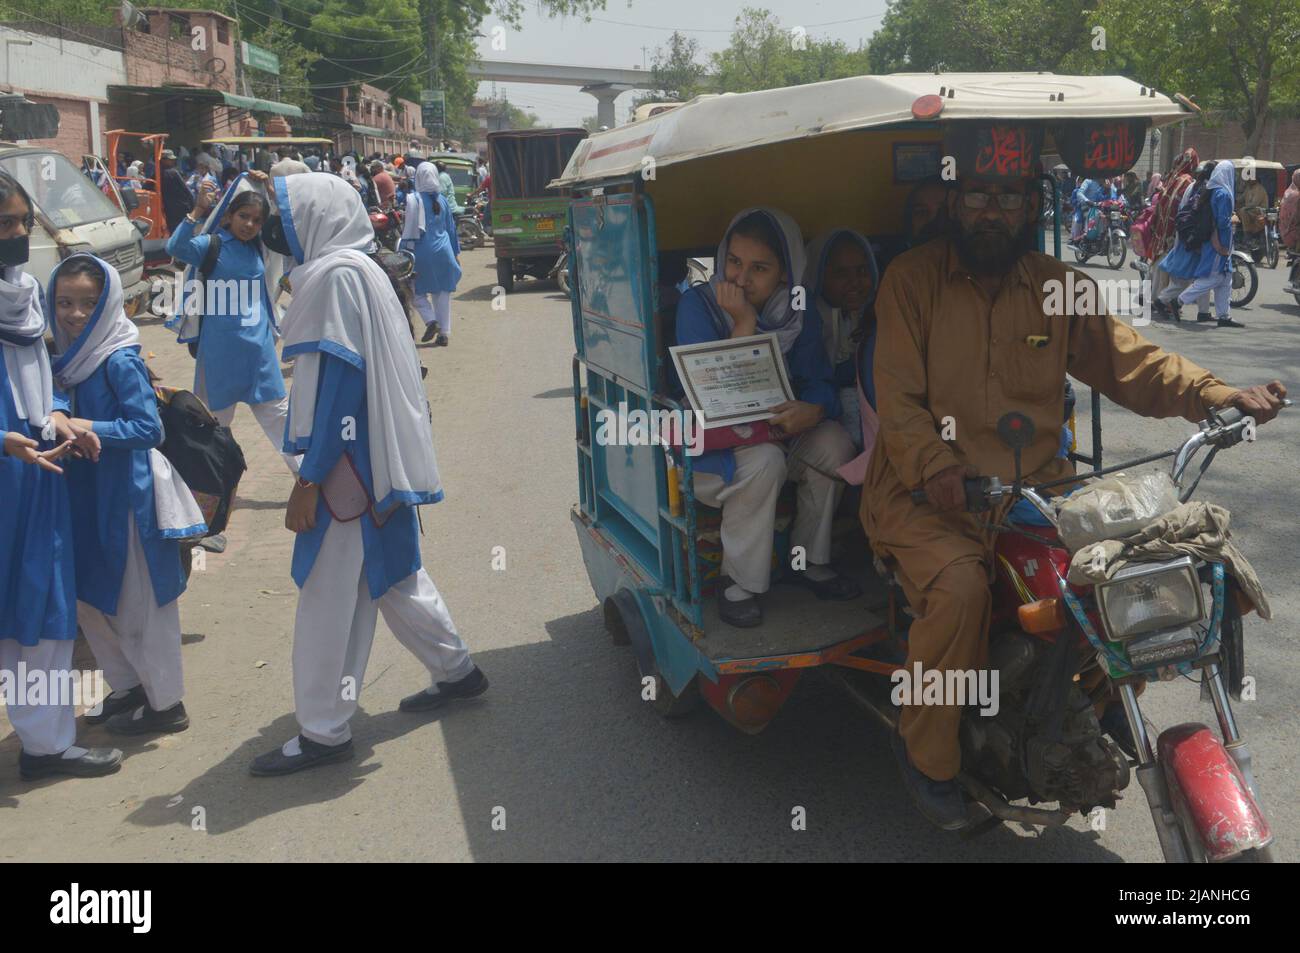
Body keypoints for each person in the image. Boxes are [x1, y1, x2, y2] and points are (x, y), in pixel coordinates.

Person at [863, 167, 1287, 830]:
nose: (991, 212)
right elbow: (899, 401)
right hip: (925, 495)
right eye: (978, 194)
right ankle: (928, 751)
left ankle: (1090, 690)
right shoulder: (911, 282)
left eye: (1007, 197)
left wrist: (1216, 394)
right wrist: (938, 465)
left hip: (1034, 490)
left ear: (1030, 205)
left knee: (1114, 569)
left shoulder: (1060, 288)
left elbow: (1134, 361)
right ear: (955, 200)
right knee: (961, 591)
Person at [250, 173, 486, 776]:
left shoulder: (334, 278)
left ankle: (324, 731)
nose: (279, 227)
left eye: (287, 214)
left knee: (330, 598)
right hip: (379, 461)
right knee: (391, 579)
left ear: (317, 218)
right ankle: (457, 672)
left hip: (350, 472)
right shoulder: (358, 267)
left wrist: (311, 478)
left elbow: (339, 387)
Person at [675, 208, 861, 628]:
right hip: (714, 450)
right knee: (763, 460)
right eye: (734, 262)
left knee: (834, 444)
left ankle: (808, 561)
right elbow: (723, 393)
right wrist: (744, 322)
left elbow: (819, 381)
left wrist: (813, 409)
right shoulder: (697, 306)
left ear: (785, 273)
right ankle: (737, 583)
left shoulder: (799, 309)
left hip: (778, 432)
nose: (740, 279)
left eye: (759, 268)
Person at [0, 174, 123, 780]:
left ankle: (46, 744)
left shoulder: (20, 295)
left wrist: (55, 414)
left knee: (42, 611)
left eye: (24, 221)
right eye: (5, 225)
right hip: (7, 475)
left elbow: (37, 379)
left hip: (36, 476)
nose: (18, 234)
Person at [49, 254, 196, 737]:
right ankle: (128, 686)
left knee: (141, 602)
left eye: (88, 304)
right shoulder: (66, 361)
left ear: (108, 305)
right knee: (90, 597)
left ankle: (166, 702)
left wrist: (82, 425)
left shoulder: (119, 358)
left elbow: (146, 428)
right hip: (85, 494)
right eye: (65, 302)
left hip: (127, 498)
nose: (74, 314)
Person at [165, 172, 295, 467]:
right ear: (229, 216)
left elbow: (290, 233)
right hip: (219, 355)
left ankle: (309, 483)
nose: (249, 225)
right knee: (211, 430)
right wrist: (197, 210)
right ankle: (211, 492)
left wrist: (274, 194)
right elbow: (175, 248)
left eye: (256, 220)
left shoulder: (260, 249)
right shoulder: (212, 245)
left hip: (258, 354)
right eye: (243, 216)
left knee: (281, 420)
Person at [803, 228, 880, 455]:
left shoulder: (876, 313)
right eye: (841, 274)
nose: (855, 282)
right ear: (818, 275)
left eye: (862, 271)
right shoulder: (807, 320)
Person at [1157, 160, 1243, 328]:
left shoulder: (1209, 189)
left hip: (1207, 239)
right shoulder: (1223, 194)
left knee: (1225, 279)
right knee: (1214, 277)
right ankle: (1179, 301)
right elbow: (1223, 222)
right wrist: (1227, 238)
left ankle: (1223, 315)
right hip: (1219, 242)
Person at [399, 162, 461, 347]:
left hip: (422, 252)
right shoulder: (442, 200)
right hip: (444, 251)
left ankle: (430, 320)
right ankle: (444, 333)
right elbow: (451, 229)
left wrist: (402, 251)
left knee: (415, 291)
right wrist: (456, 254)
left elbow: (409, 230)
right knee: (442, 294)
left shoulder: (413, 199)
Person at [1147, 148, 1201, 313]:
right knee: (1169, 269)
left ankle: (1153, 297)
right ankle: (1164, 301)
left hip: (1162, 228)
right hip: (1173, 230)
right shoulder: (1188, 182)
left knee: (1158, 264)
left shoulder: (1173, 178)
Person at [157, 149, 194, 233]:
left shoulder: (157, 173)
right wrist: (192, 203)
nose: (173, 161)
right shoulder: (173, 172)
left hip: (169, 208)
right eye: (170, 160)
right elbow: (186, 189)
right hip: (180, 207)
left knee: (173, 230)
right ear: (163, 160)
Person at [1279, 168, 1300, 252]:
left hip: (1287, 232)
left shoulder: (1288, 192)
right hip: (1293, 232)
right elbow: (1296, 216)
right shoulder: (1296, 195)